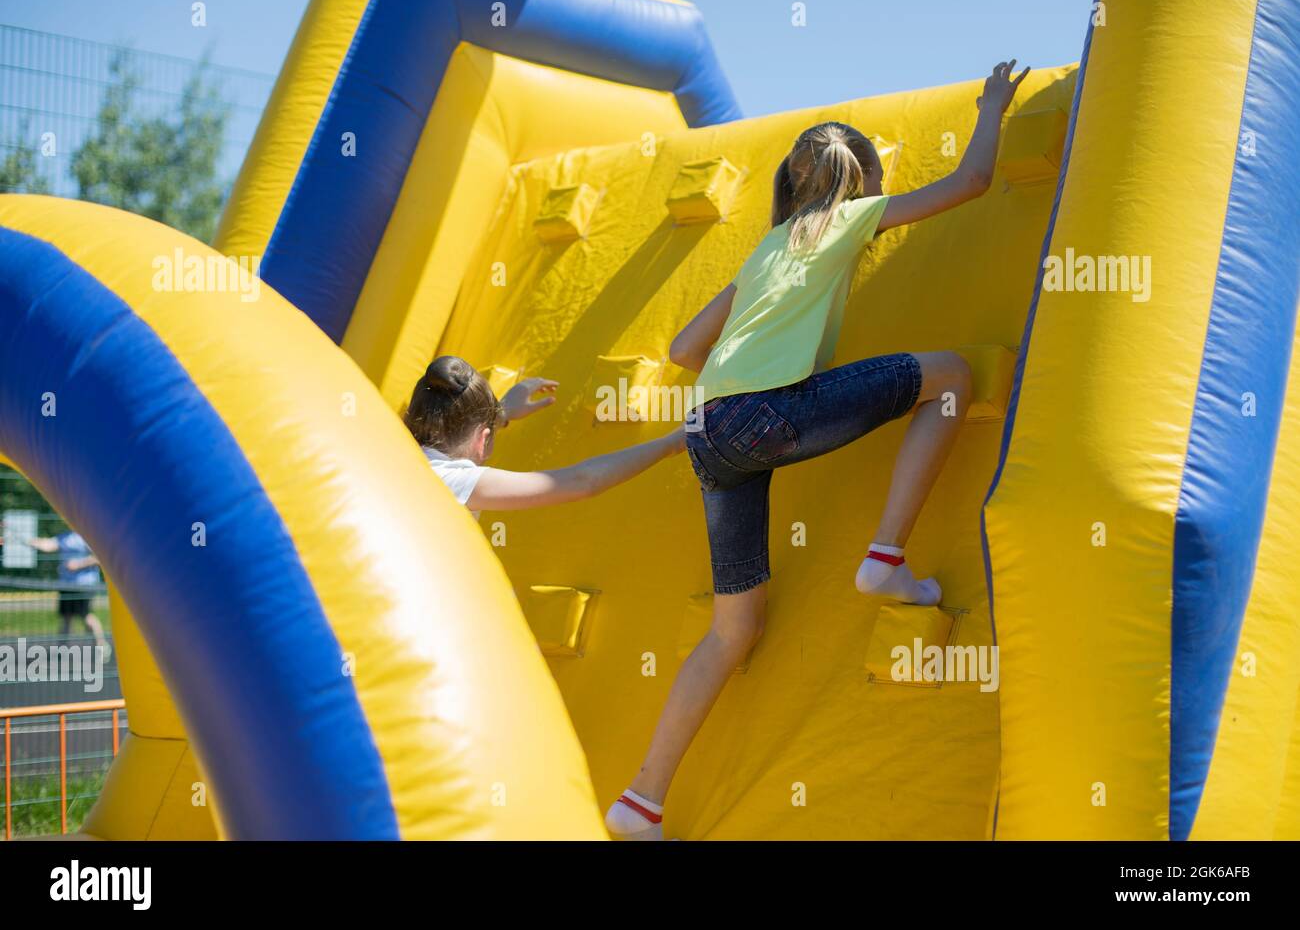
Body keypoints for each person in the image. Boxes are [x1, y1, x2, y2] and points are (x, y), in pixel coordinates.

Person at [605, 60, 1030, 839]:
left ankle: (641, 799)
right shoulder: (848, 221)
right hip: (763, 418)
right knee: (950, 377)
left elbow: (683, 347)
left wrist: (762, 356)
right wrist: (993, 105)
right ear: (859, 183)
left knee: (734, 631)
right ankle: (888, 555)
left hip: (709, 435)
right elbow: (971, 183)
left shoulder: (764, 251)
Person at [404, 356, 683, 516]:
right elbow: (582, 482)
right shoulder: (454, 482)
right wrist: (669, 443)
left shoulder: (397, 454)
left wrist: (501, 414)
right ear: (483, 439)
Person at [28, 529, 107, 645]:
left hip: (83, 585)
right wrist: (28, 540)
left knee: (86, 616)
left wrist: (78, 564)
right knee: (66, 618)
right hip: (66, 585)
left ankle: (101, 645)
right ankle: (61, 649)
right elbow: (48, 545)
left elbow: (100, 557)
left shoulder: (88, 536)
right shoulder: (65, 536)